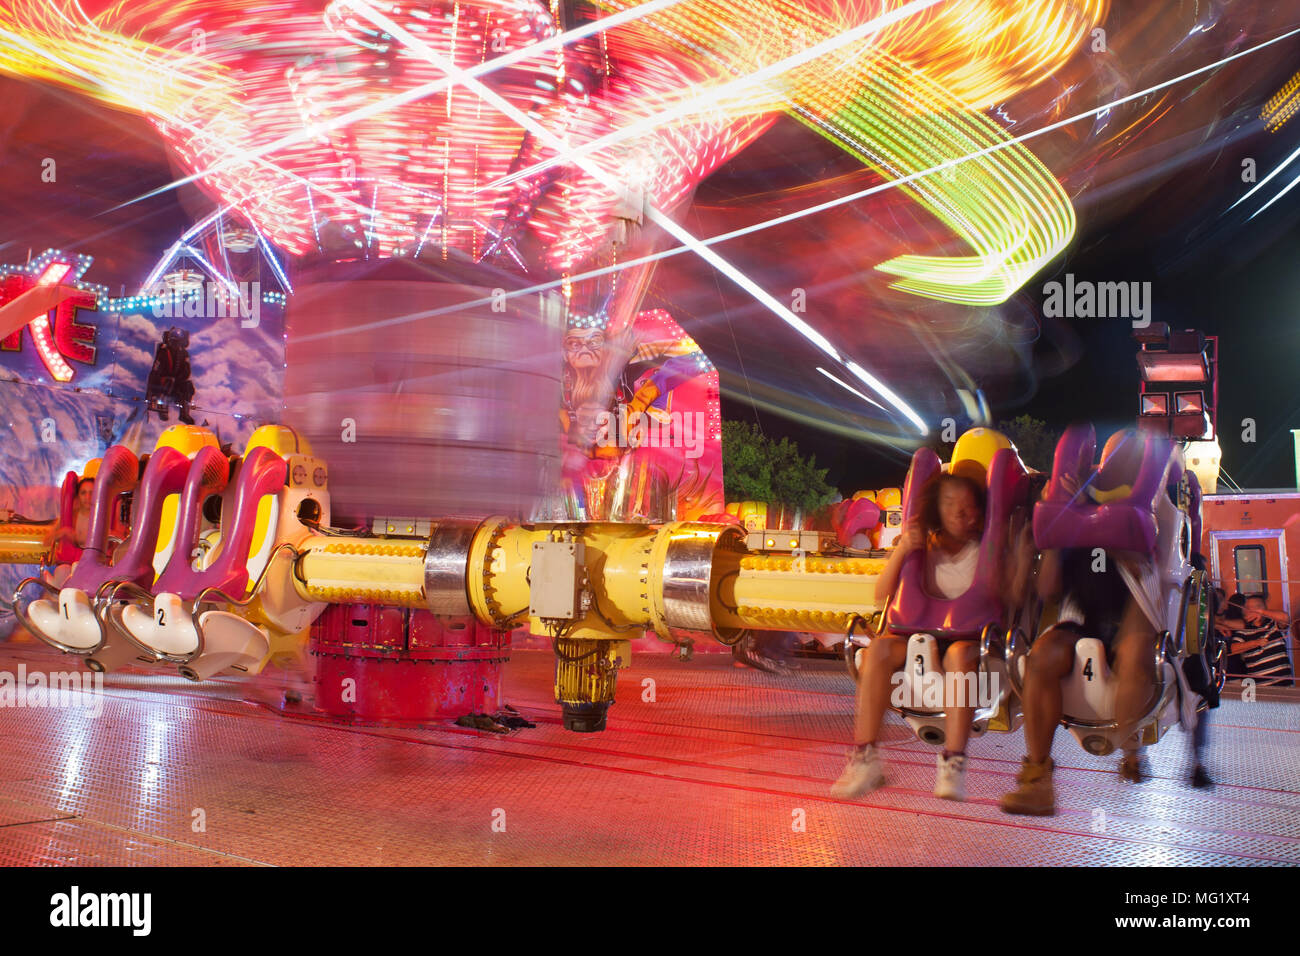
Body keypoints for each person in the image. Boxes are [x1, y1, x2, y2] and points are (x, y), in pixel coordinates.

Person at [832, 471, 1032, 802]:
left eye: (968, 507)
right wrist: (902, 552)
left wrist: (1020, 560)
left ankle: (954, 761)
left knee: (960, 656)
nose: (960, 513)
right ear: (936, 509)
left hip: (969, 640)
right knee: (879, 650)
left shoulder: (987, 550)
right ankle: (866, 759)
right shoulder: (920, 548)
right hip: (916, 634)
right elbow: (881, 596)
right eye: (951, 504)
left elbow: (1012, 597)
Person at [1001, 449, 1162, 816]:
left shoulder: (1142, 506)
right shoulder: (1079, 494)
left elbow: (1145, 569)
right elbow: (1047, 591)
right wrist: (1056, 527)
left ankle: (1132, 749)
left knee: (1135, 652)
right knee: (1042, 657)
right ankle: (1037, 777)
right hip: (1083, 615)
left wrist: (1116, 538)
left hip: (1130, 606)